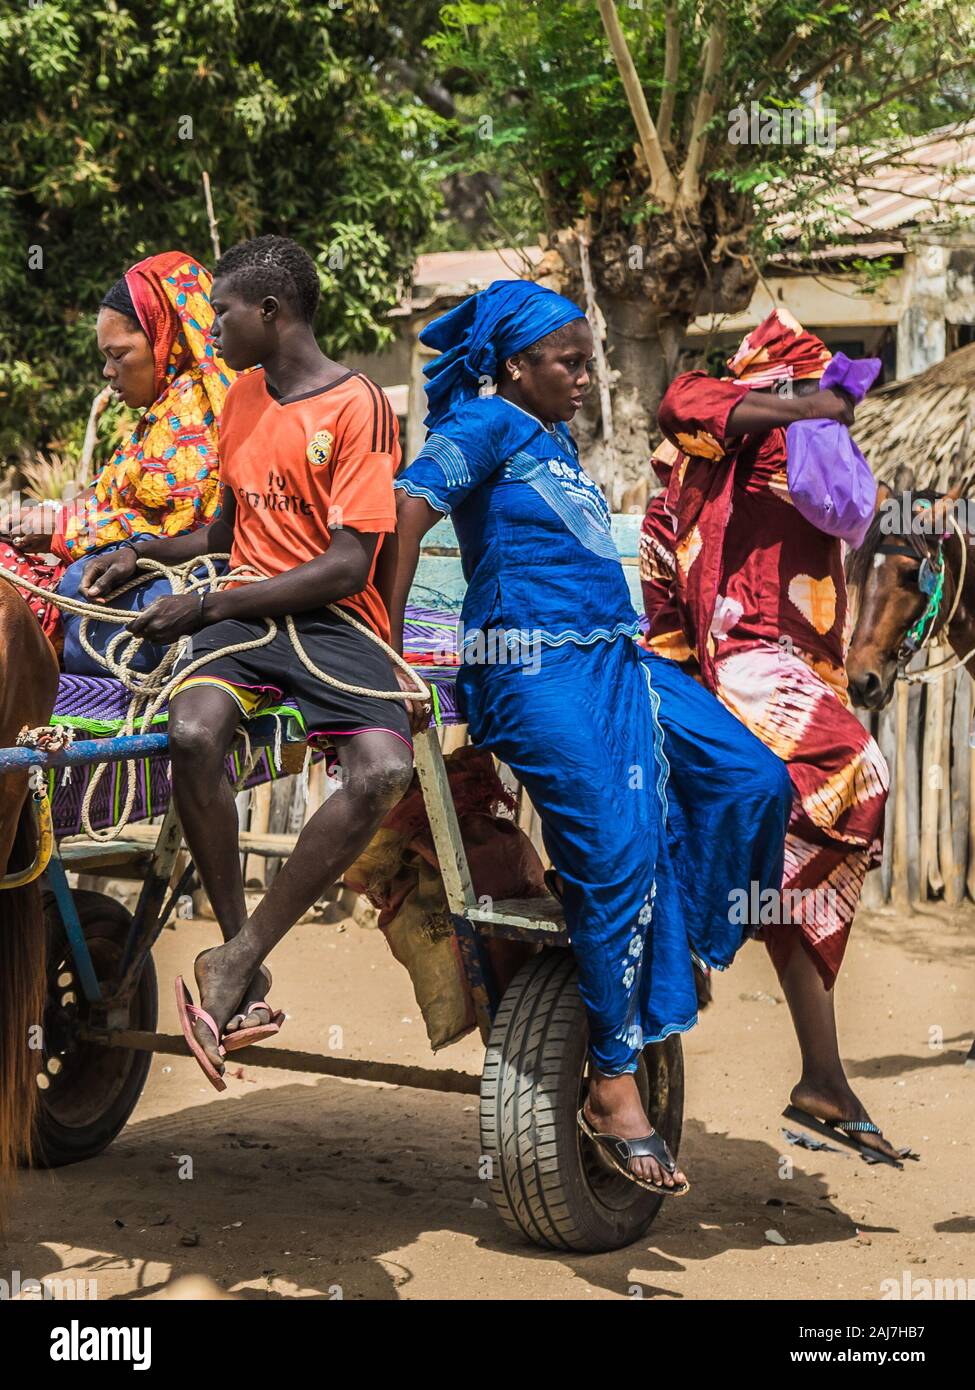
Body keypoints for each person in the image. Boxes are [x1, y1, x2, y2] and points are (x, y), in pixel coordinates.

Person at [387, 279, 794, 1195]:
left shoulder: (555, 440)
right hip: (531, 669)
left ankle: (669, 939)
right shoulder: (486, 423)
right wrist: (388, 642)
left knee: (753, 782)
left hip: (618, 663)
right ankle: (611, 1085)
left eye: (587, 360)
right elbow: (408, 508)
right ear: (514, 364)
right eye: (567, 362)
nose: (585, 376)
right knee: (614, 851)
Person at [78, 235, 416, 1087]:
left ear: (271, 313)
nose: (211, 327)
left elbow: (349, 564)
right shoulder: (240, 402)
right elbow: (225, 537)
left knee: (380, 773)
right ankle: (238, 961)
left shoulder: (359, 406)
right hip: (243, 621)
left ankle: (238, 957)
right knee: (192, 731)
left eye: (223, 311)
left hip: (335, 621)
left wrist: (209, 601)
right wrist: (149, 549)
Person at [641, 307, 899, 1163]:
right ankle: (712, 922)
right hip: (734, 656)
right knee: (858, 773)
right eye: (818, 386)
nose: (837, 405)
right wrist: (802, 409)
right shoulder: (719, 439)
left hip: (798, 665)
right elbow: (678, 400)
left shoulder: (806, 450)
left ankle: (820, 1074)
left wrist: (823, 423)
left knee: (810, 877)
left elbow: (855, 530)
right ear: (781, 387)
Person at [1, 251, 234, 647]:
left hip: (149, 590)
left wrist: (62, 531)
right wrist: (53, 516)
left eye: (118, 355)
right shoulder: (166, 409)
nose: (109, 372)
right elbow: (119, 502)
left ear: (165, 338)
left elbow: (173, 528)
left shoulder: (195, 413)